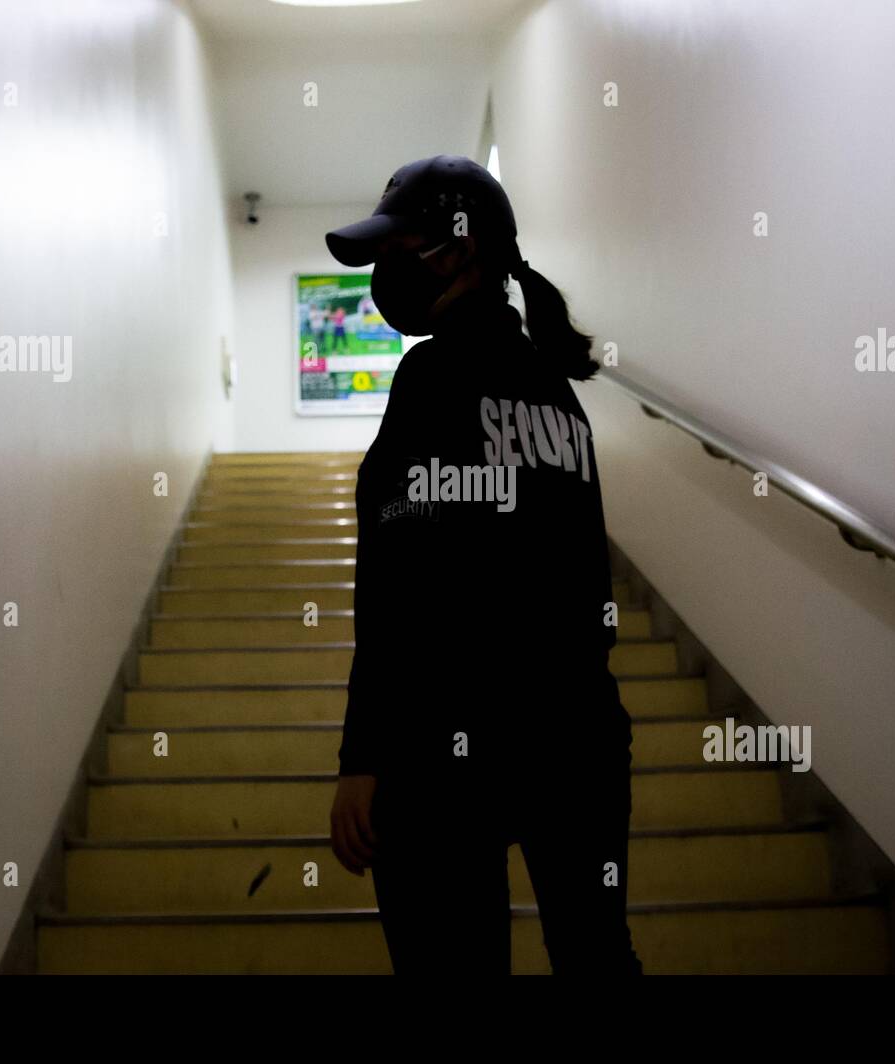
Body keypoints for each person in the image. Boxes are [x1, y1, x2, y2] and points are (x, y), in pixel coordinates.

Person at [325, 154, 642, 975]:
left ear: (459, 251)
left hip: (445, 739)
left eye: (400, 247)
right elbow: (582, 574)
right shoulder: (556, 389)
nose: (385, 270)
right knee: (599, 959)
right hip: (577, 729)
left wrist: (363, 755)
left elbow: (397, 585)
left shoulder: (432, 377)